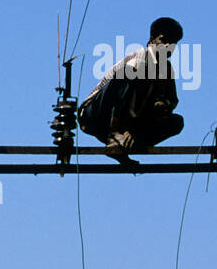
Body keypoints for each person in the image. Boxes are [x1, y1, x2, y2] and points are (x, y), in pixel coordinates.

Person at [78, 16, 185, 162]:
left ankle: (127, 144)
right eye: (163, 40)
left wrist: (164, 105)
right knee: (131, 71)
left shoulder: (166, 70)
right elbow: (117, 92)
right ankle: (114, 135)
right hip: (96, 116)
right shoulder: (139, 59)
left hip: (128, 122)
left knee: (176, 122)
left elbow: (172, 100)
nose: (167, 46)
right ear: (152, 39)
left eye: (172, 43)